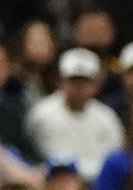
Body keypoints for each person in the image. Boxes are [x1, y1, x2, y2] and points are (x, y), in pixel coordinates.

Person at [31, 50, 126, 178]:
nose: (79, 87)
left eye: (85, 82)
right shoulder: (42, 114)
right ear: (60, 82)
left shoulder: (107, 116)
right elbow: (54, 158)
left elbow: (115, 155)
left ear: (96, 85)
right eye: (73, 81)